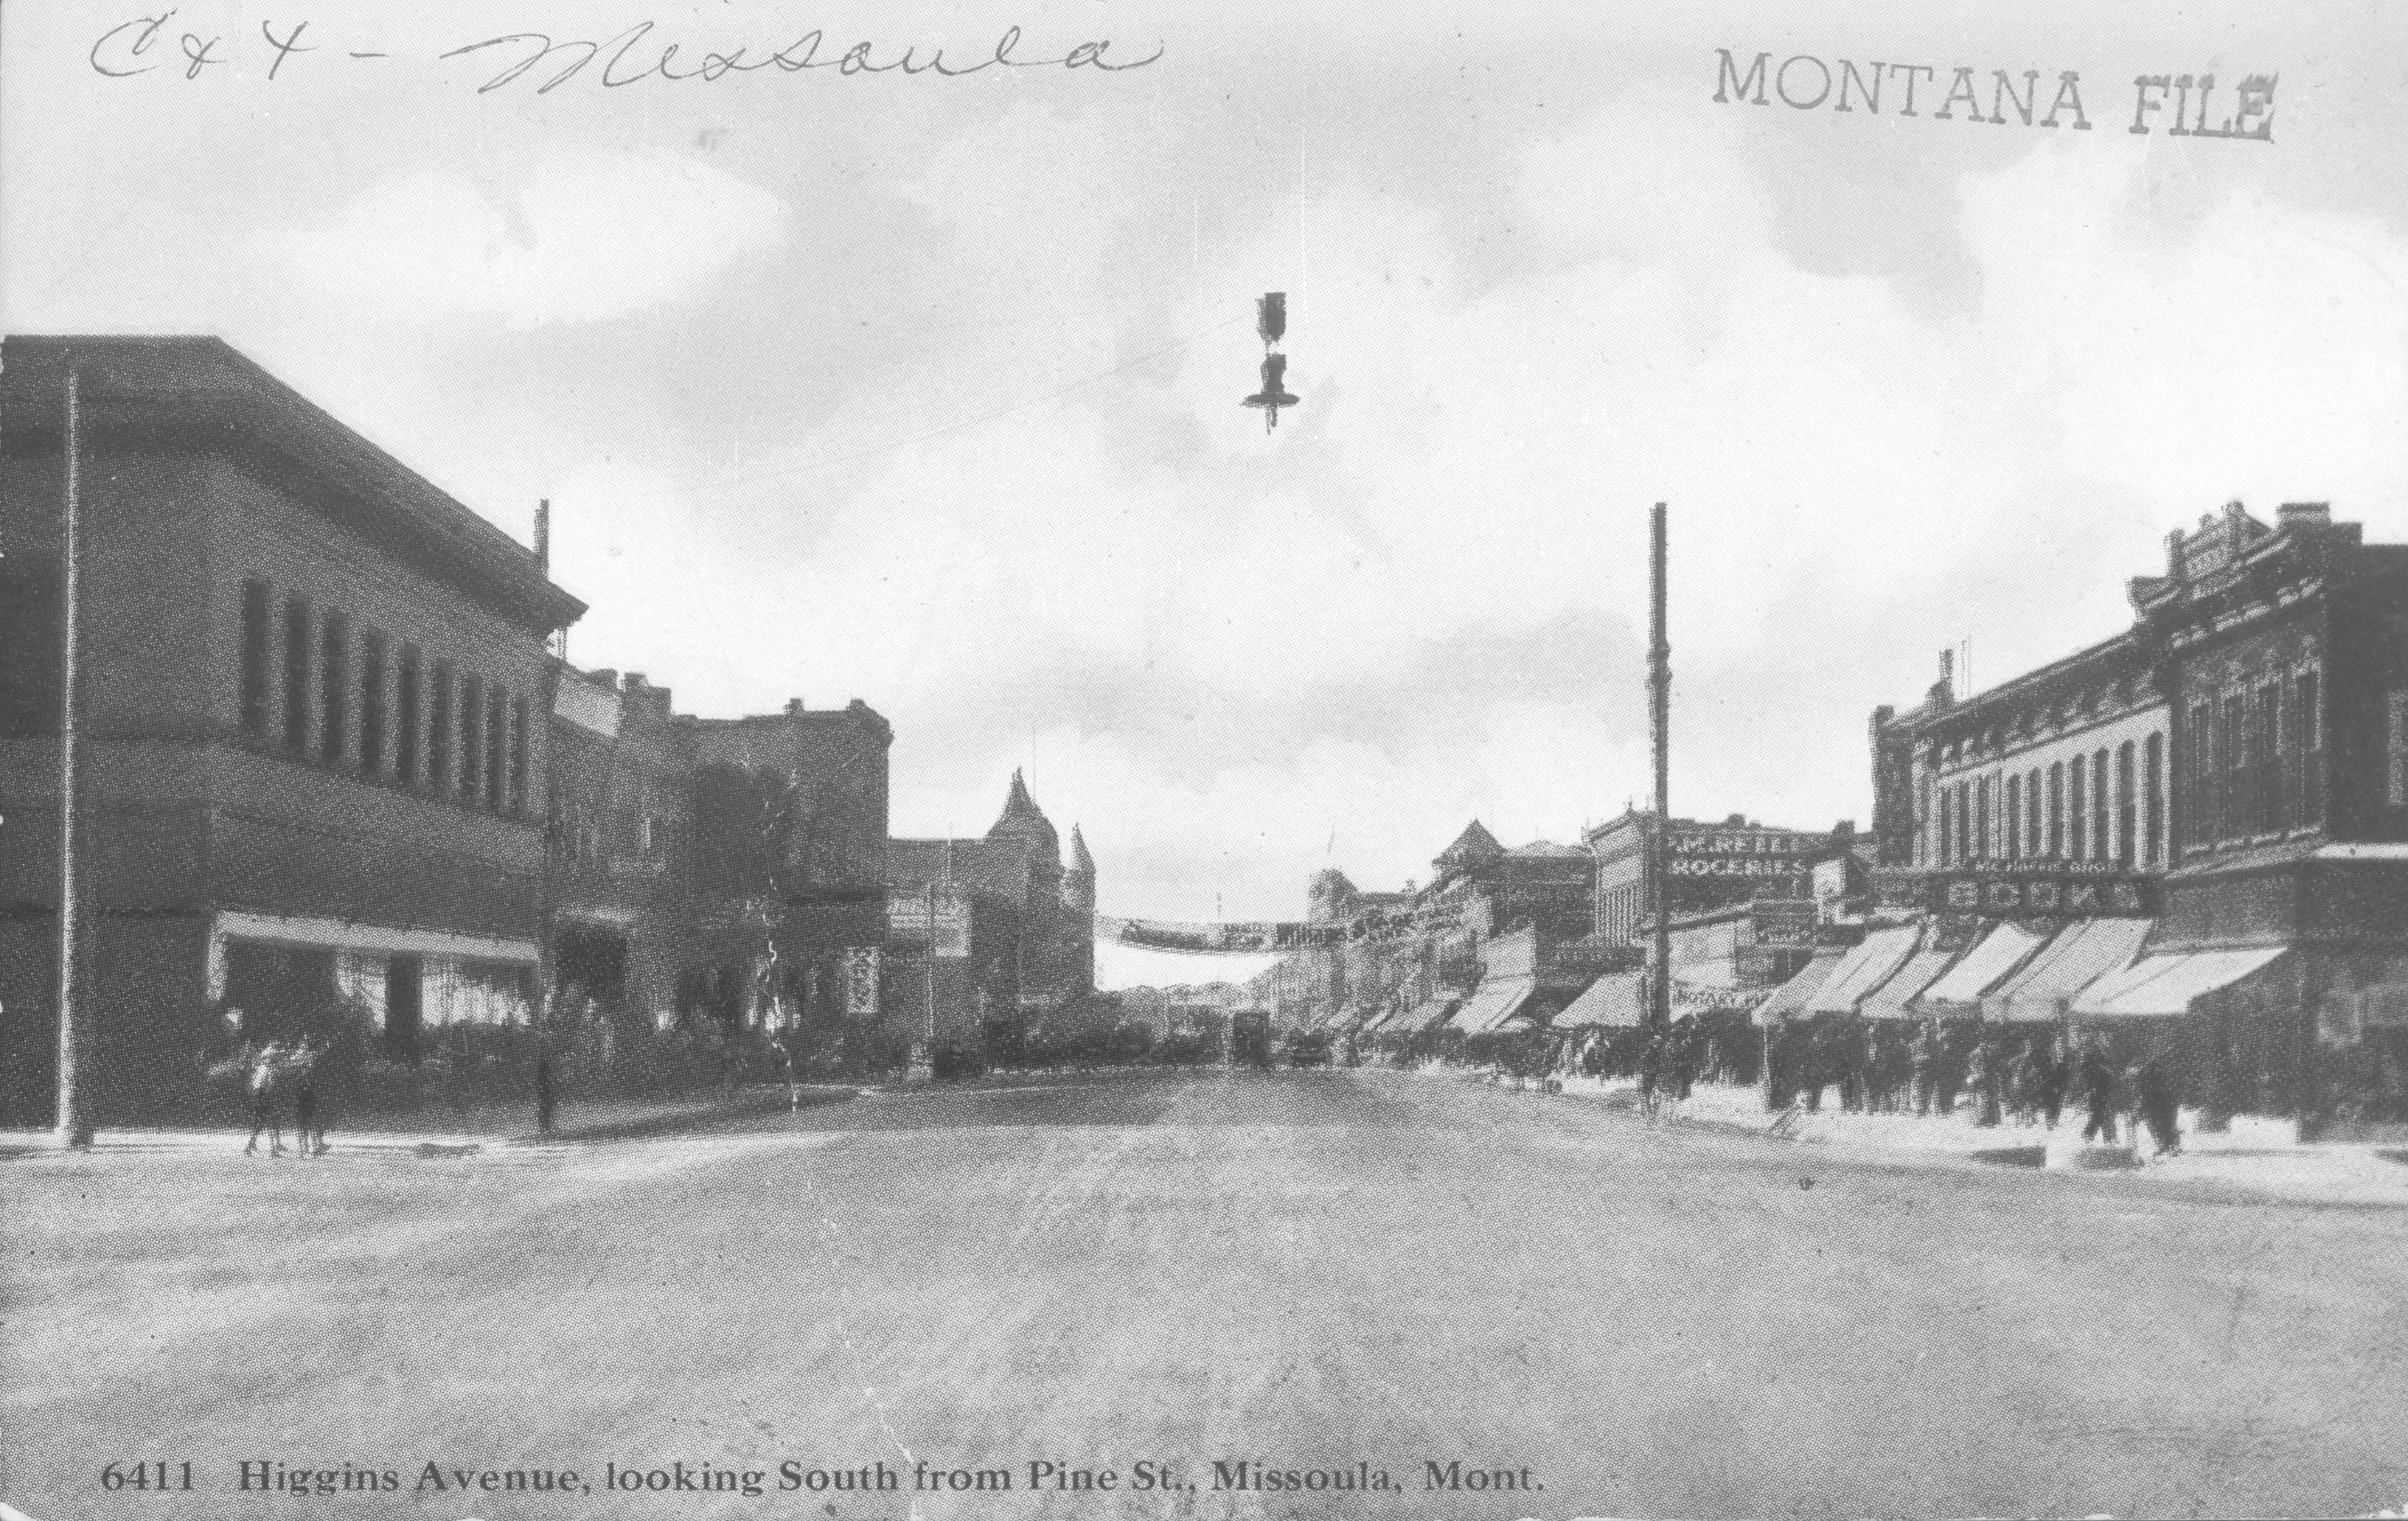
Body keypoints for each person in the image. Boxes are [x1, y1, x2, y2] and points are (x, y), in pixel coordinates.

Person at [2135, 1048, 2182, 1156]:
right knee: (2160, 1125)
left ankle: (2171, 1146)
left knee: (2164, 1124)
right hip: (2157, 1101)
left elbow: (2154, 1088)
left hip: (2161, 1101)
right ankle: (2166, 1146)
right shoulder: (2149, 1070)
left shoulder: (2155, 1070)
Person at [243, 1042, 288, 1156]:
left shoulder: (262, 1068)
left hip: (262, 1097)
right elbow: (264, 1086)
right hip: (264, 1097)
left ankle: (253, 1145)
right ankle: (272, 1149)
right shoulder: (265, 1069)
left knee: (263, 1123)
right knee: (269, 1123)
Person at [288, 1038, 326, 1157]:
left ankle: (309, 1147)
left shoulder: (303, 1059)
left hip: (306, 1094)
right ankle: (305, 1148)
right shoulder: (299, 1060)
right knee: (305, 1122)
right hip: (302, 1095)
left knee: (307, 1122)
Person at [2080, 1040, 2121, 1144]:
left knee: (2104, 1115)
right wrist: (2090, 1089)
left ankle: (2105, 1137)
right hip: (2098, 1091)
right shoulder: (2092, 1059)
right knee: (2100, 1114)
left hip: (2105, 1091)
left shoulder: (2102, 1059)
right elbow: (2088, 1076)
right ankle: (2093, 1135)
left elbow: (2112, 1072)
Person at [1911, 1023, 1940, 1117]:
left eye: (1928, 1030)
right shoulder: (1917, 1042)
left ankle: (1929, 1109)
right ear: (1921, 1031)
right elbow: (1913, 1057)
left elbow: (1937, 1056)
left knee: (1930, 1089)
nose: (1926, 1032)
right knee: (1919, 1089)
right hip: (1920, 1069)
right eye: (1925, 1030)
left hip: (1931, 1069)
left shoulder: (1934, 1043)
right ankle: (1919, 1110)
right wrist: (1924, 1058)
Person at [535, 1052, 557, 1135]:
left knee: (544, 1110)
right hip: (545, 1092)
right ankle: (545, 1128)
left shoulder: (541, 1077)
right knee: (545, 1110)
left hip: (544, 1092)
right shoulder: (545, 1076)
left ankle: (545, 1128)